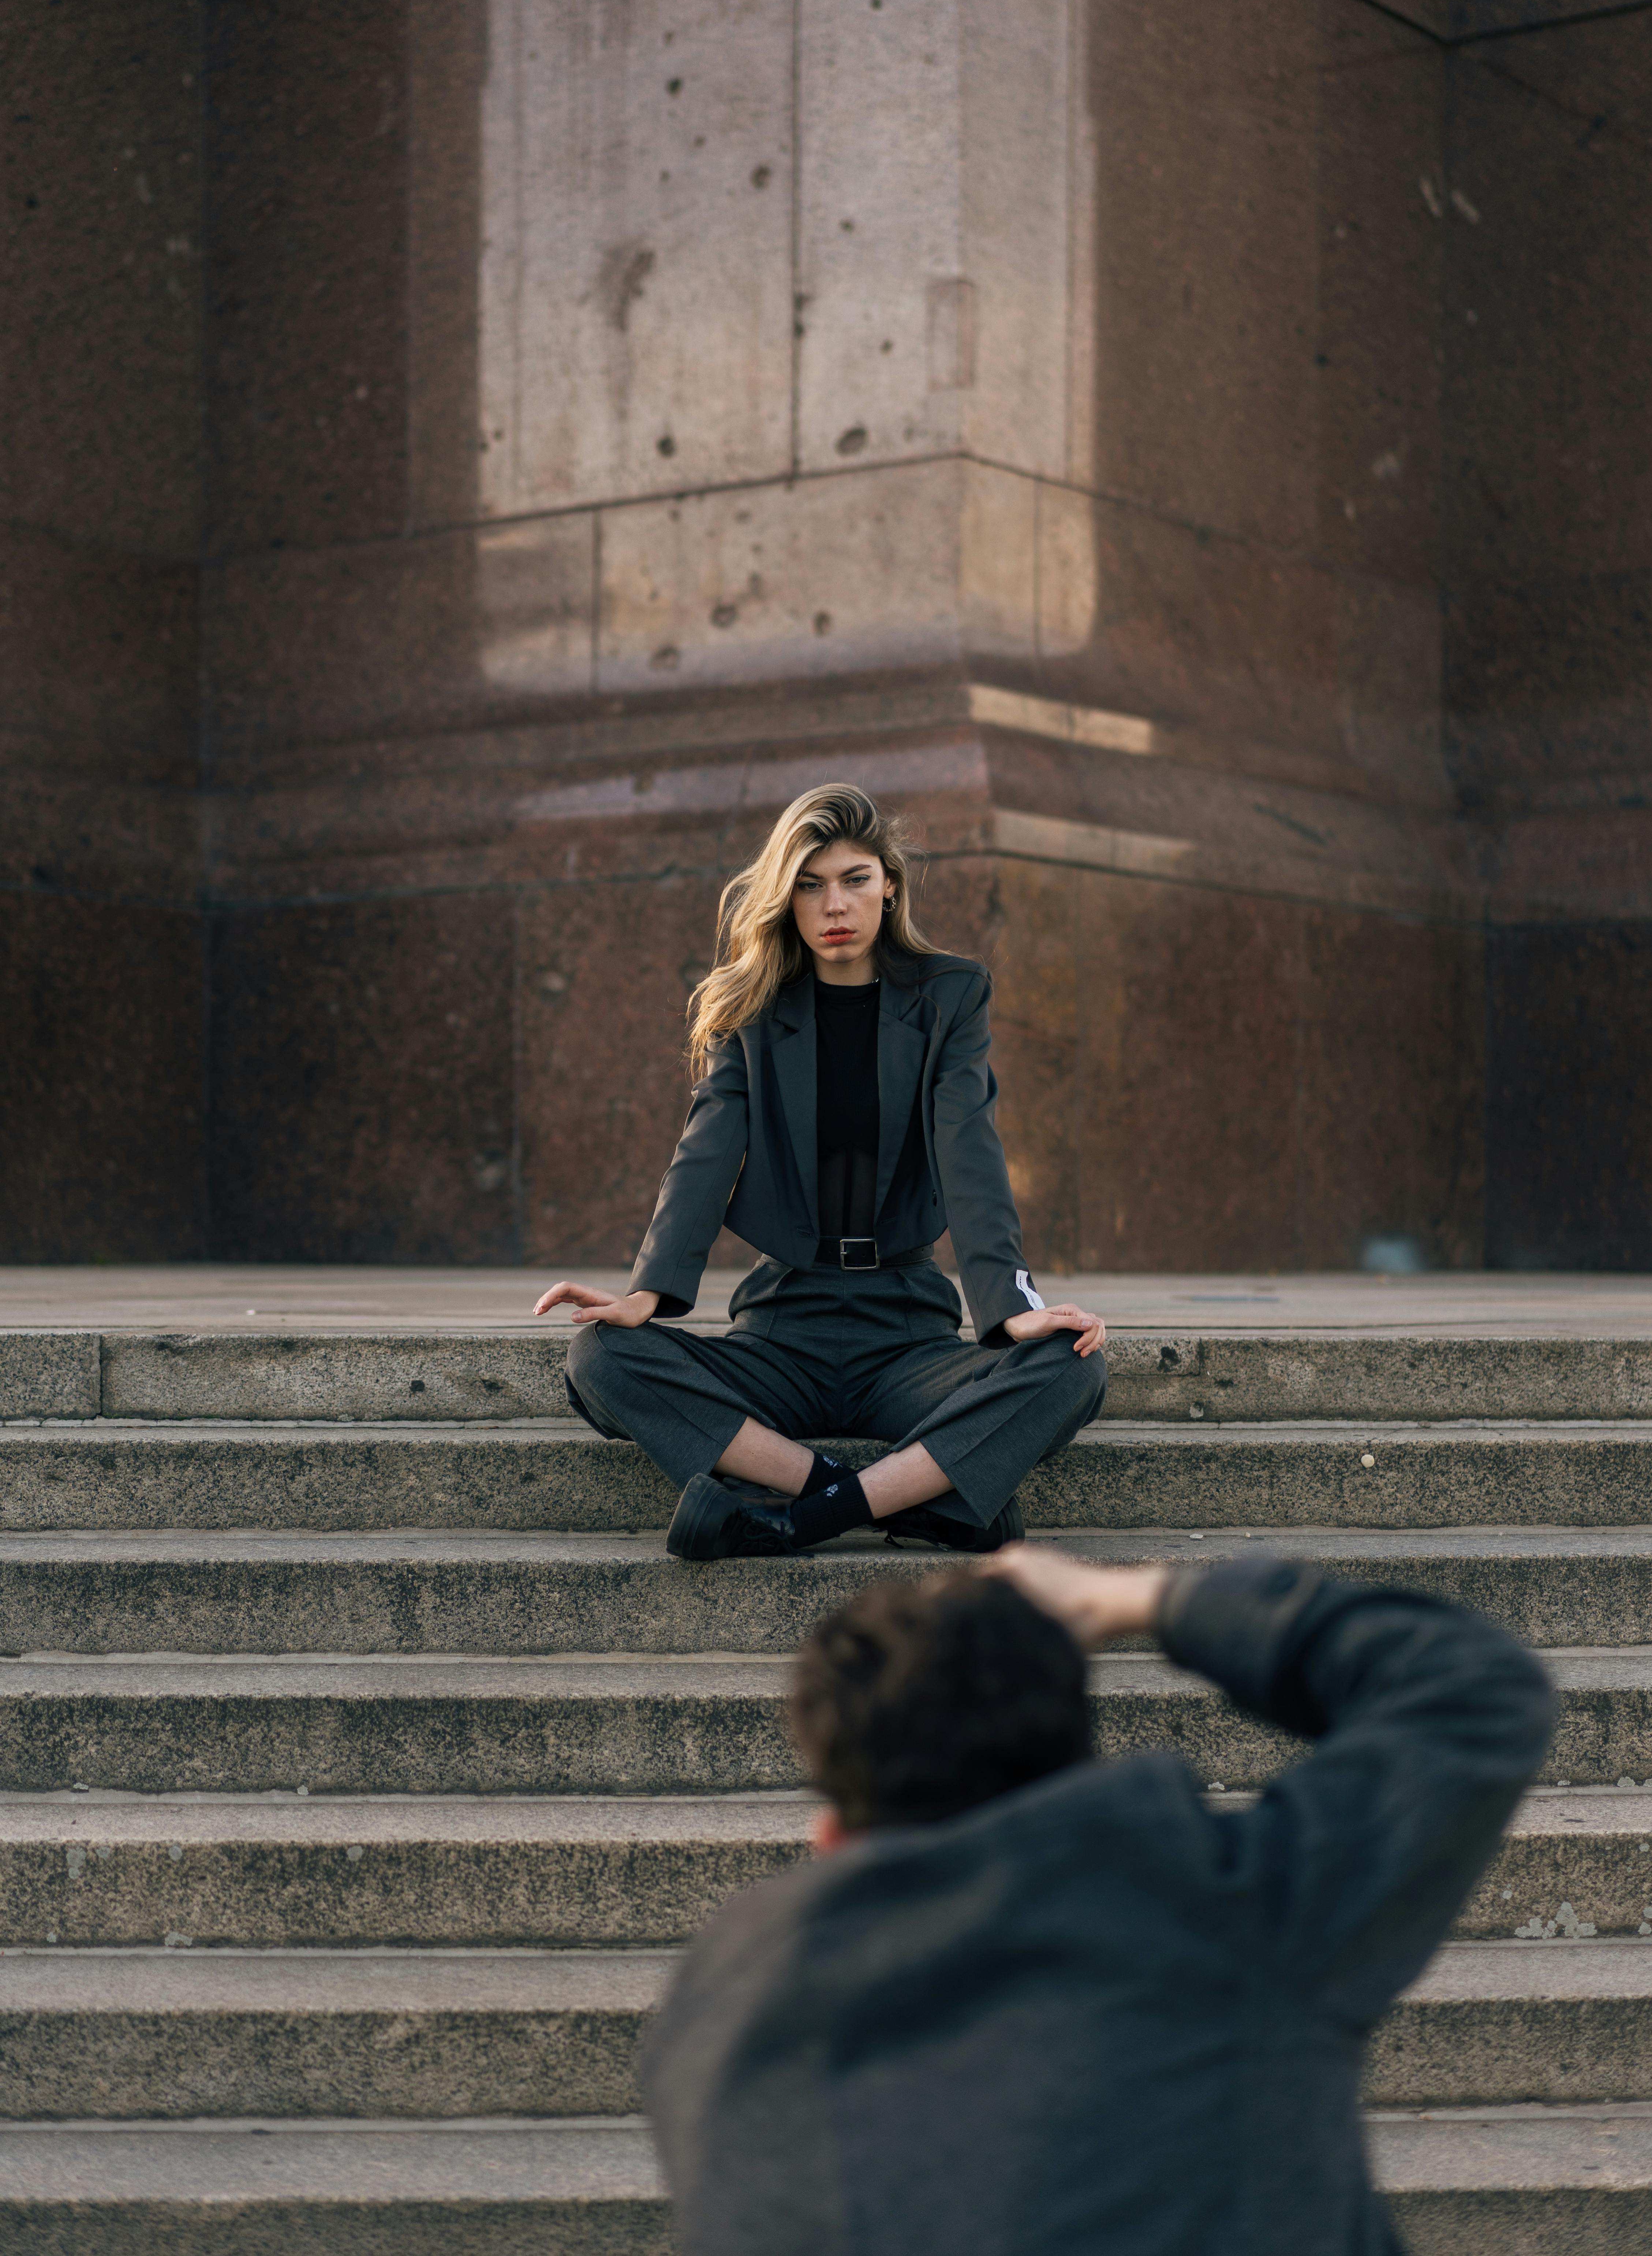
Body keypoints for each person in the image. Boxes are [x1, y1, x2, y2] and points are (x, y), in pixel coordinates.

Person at [644, 1544, 1555, 2256]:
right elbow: (1472, 1688)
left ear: (831, 1838)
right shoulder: (1223, 1907)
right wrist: (1141, 1598)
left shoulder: (713, 2014)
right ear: (1076, 1771)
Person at [532, 783, 1107, 1559]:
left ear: (889, 884)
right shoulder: (753, 1008)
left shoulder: (949, 996)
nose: (834, 903)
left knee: (1070, 1363)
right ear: (785, 898)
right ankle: (918, 1503)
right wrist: (643, 1291)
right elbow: (707, 1145)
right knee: (600, 1353)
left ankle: (794, 1518)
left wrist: (1011, 1306)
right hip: (781, 1329)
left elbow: (968, 1148)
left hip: (908, 1334)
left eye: (854, 879)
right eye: (809, 883)